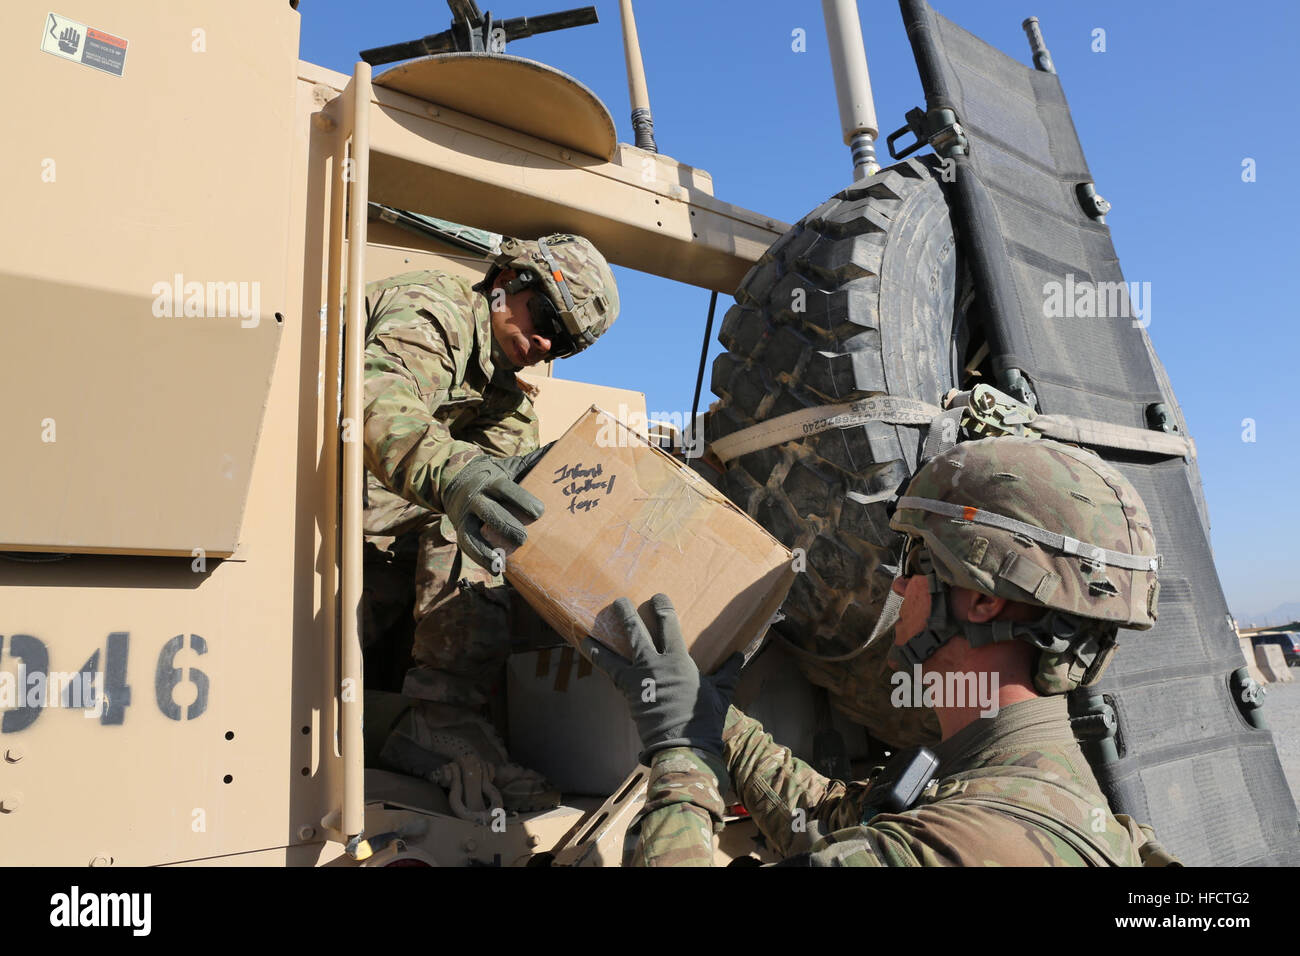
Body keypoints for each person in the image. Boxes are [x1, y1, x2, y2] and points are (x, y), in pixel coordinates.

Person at [585, 436, 1178, 865]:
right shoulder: (1044, 795)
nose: (899, 584)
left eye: (917, 563)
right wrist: (714, 726)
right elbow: (835, 823)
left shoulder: (953, 844)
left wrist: (681, 754)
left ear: (981, 600)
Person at [362, 233, 619, 820]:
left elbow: (527, 496)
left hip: (379, 541)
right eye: (547, 317)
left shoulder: (505, 399)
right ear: (508, 283)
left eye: (566, 343)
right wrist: (460, 479)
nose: (546, 343)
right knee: (479, 504)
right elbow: (378, 404)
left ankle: (444, 721)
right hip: (312, 513)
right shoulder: (435, 310)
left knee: (503, 519)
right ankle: (421, 723)